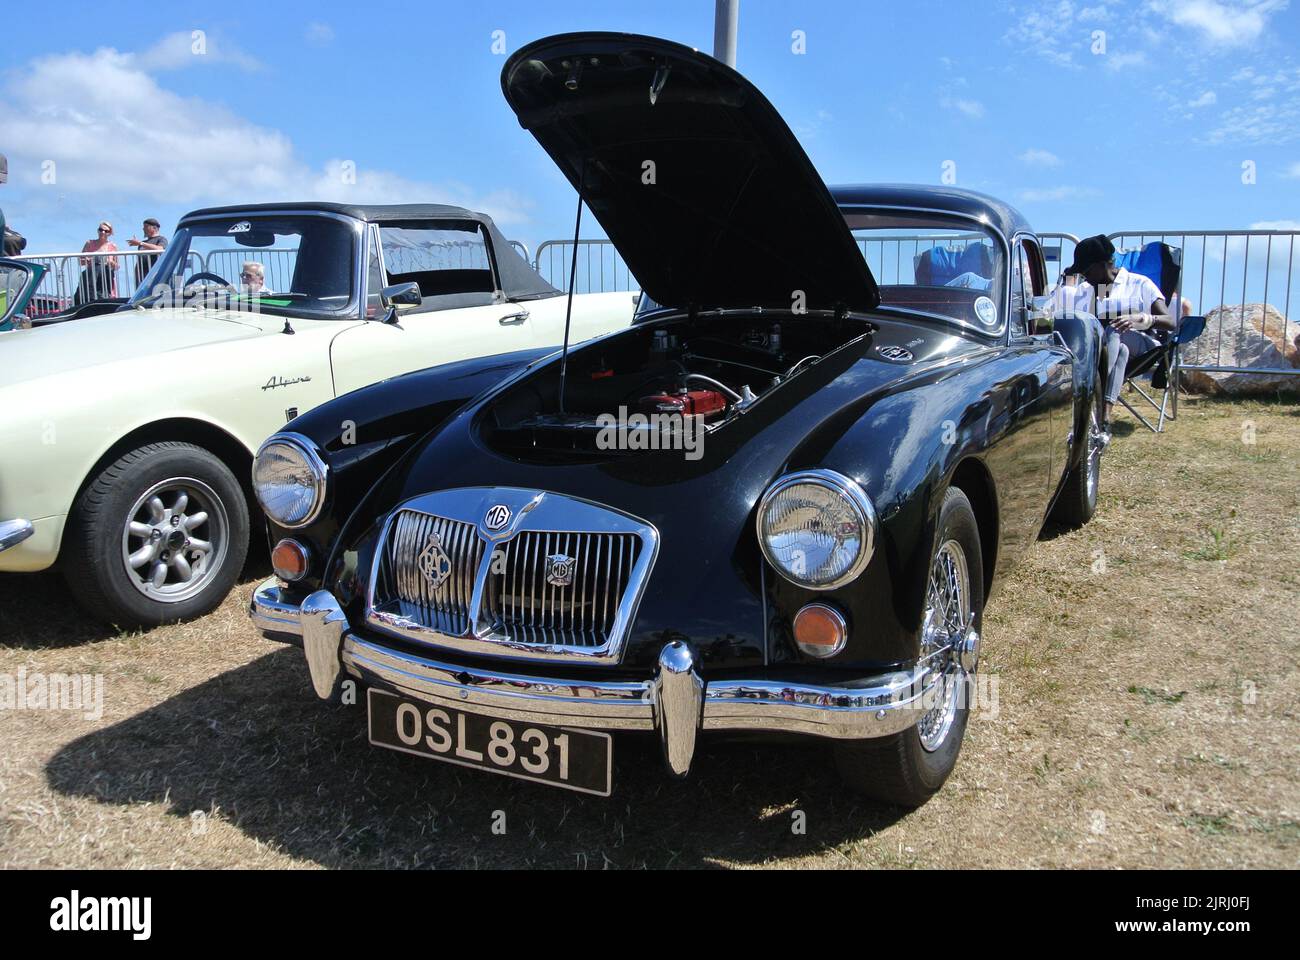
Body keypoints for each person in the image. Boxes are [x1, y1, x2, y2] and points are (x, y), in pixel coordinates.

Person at [1050, 234, 1173, 434]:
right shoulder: (1090, 290)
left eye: (1087, 271)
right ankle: (1104, 415)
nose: (1085, 277)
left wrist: (1141, 319)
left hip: (1145, 347)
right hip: (1113, 349)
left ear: (1104, 264)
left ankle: (1091, 388)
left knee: (1115, 329)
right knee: (1120, 349)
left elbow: (1171, 322)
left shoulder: (1139, 284)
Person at [76, 221, 119, 305]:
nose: (103, 232)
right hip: (91, 277)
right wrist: (87, 260)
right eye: (101, 229)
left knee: (105, 298)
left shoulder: (113, 246)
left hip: (106, 277)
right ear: (98, 230)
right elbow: (80, 262)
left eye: (106, 231)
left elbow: (117, 266)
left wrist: (111, 262)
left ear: (109, 233)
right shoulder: (89, 243)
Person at [128, 218, 168, 286]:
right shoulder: (143, 242)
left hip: (154, 275)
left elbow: (160, 249)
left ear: (154, 228)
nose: (143, 229)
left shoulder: (161, 239)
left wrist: (141, 243)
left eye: (146, 227)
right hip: (141, 277)